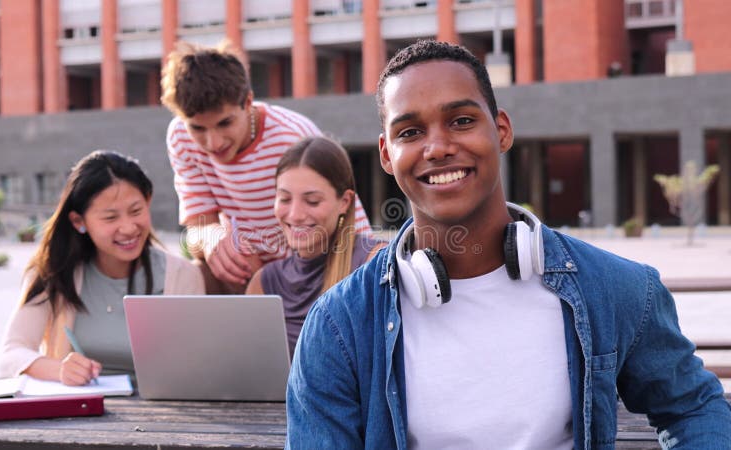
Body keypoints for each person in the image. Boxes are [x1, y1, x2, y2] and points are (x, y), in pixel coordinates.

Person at [285, 40, 731, 449]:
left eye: (461, 121)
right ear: (386, 154)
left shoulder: (617, 289)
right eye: (410, 132)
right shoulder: (338, 327)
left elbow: (694, 408)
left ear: (501, 130)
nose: (437, 147)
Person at [161, 41, 372, 294]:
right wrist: (210, 237)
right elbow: (196, 230)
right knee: (195, 274)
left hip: (316, 270)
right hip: (250, 273)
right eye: (198, 128)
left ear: (248, 102)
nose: (212, 142)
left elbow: (351, 232)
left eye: (224, 123)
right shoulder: (180, 138)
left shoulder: (291, 138)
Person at [0, 150, 205, 385]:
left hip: (163, 415)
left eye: (136, 211)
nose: (128, 228)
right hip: (79, 414)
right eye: (110, 218)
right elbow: (10, 355)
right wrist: (59, 370)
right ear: (79, 222)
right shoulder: (53, 273)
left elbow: (198, 363)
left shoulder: (183, 275)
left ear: (148, 202)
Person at [245, 136, 386, 355]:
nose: (295, 215)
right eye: (284, 199)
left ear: (345, 202)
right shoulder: (264, 283)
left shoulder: (374, 263)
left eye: (312, 201)